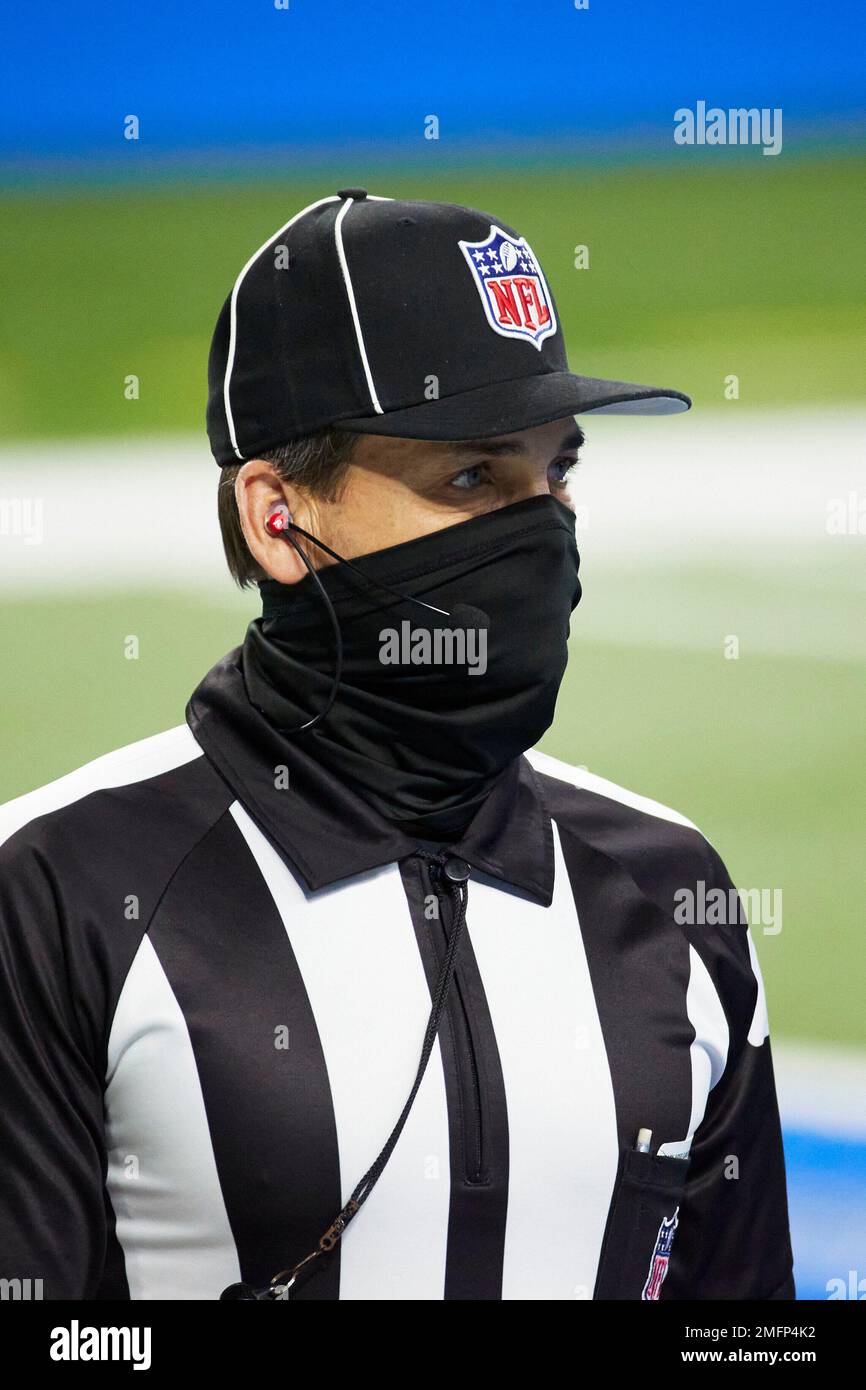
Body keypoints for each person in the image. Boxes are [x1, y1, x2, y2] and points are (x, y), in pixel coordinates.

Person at [0, 189, 795, 1300]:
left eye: (554, 472)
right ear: (276, 517)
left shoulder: (668, 890)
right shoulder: (59, 887)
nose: (540, 533)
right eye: (471, 477)